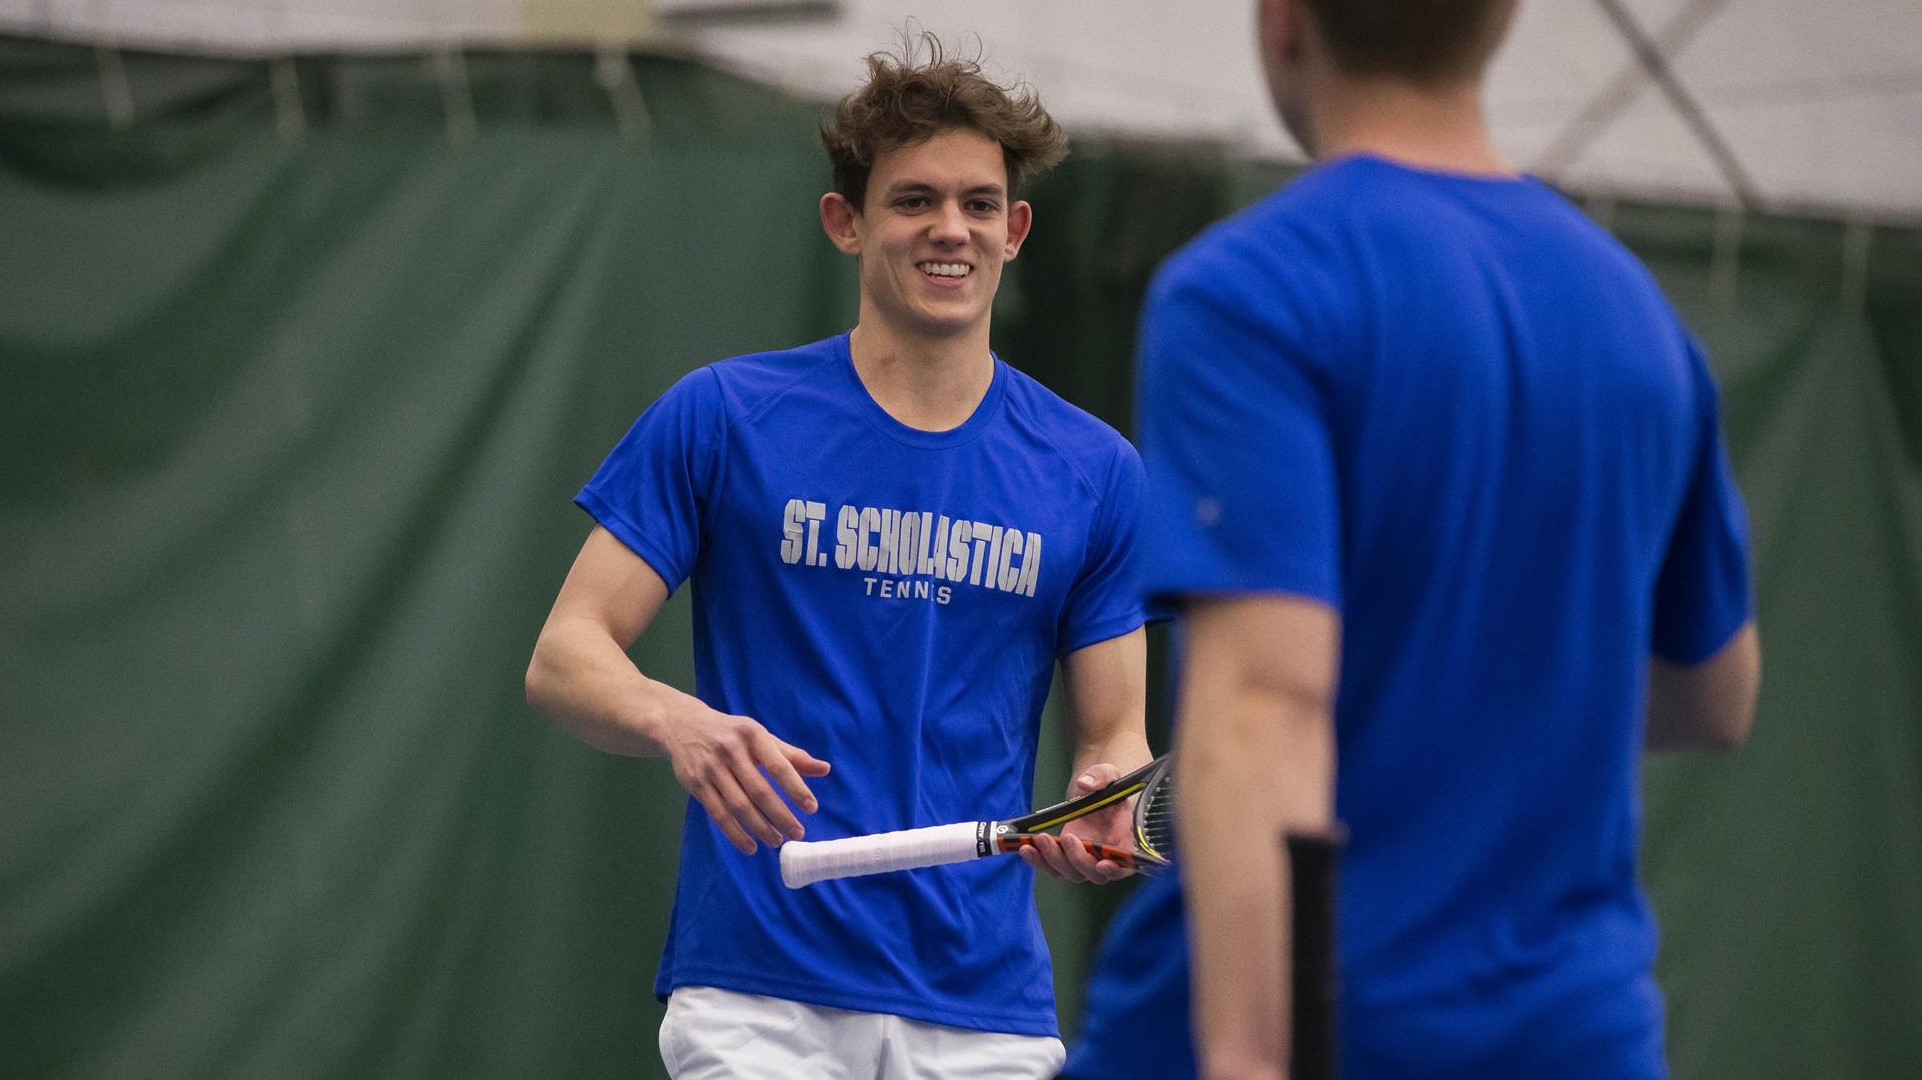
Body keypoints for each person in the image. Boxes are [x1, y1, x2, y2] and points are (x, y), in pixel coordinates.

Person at [1063, 1, 1761, 1078]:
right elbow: (1715, 694)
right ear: (1500, 22)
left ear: (1284, 23)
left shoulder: (1250, 292)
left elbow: (1266, 710)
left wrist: (1252, 1059)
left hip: (1319, 1033)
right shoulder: (1641, 320)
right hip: (1577, 1040)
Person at [525, 37, 1152, 1080]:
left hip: (985, 1008)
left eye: (978, 204)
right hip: (758, 997)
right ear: (844, 221)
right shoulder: (723, 417)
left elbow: (1116, 737)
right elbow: (564, 655)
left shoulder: (1096, 471)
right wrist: (680, 722)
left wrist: (1104, 803)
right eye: (913, 200)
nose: (949, 228)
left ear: (1014, 231)